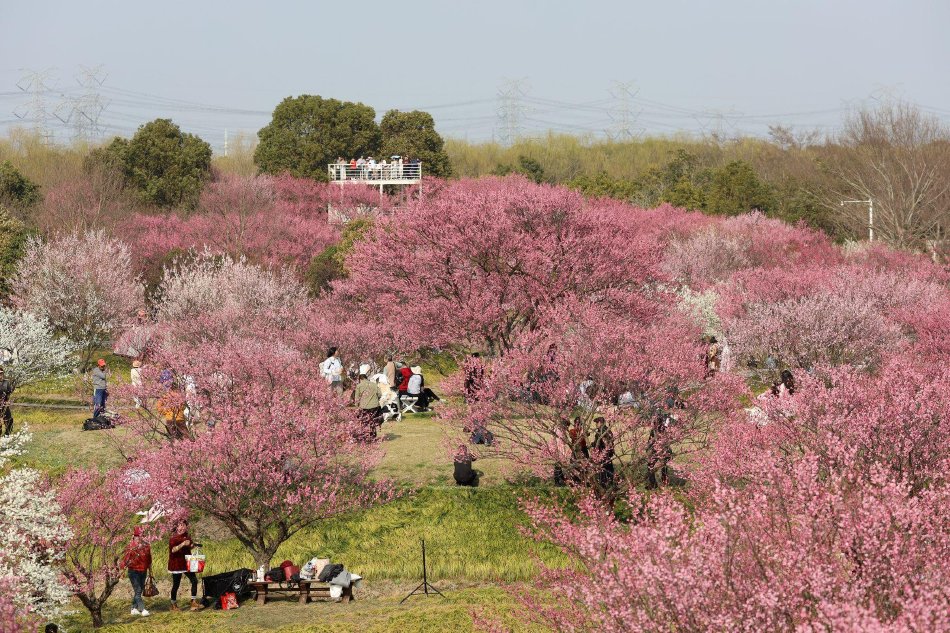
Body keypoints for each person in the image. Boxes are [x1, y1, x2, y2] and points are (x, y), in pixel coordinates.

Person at [168, 519, 201, 612]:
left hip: (187, 562)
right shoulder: (173, 538)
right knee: (176, 584)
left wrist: (193, 545)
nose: (182, 527)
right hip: (176, 564)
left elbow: (189, 547)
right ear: (176, 527)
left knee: (194, 580)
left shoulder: (187, 536)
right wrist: (182, 544)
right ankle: (173, 604)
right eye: (180, 525)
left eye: (184, 525)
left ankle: (193, 601)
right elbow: (173, 550)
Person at [122, 526, 152, 617]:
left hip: (143, 570)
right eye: (137, 536)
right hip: (133, 571)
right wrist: (122, 570)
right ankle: (142, 609)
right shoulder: (130, 547)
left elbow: (149, 559)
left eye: (141, 536)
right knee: (138, 590)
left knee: (139, 590)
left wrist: (150, 570)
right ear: (134, 537)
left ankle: (133, 608)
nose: (139, 538)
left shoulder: (146, 546)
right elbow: (125, 560)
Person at [353, 365, 382, 437]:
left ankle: (365, 435)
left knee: (364, 421)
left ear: (360, 379)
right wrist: (376, 398)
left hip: (364, 406)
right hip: (375, 406)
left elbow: (357, 399)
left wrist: (357, 407)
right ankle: (373, 435)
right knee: (373, 420)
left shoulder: (359, 386)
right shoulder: (374, 384)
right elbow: (380, 394)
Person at [592, 417, 616, 498]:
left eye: (597, 423)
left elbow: (599, 442)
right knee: (609, 468)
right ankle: (612, 482)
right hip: (608, 452)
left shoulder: (601, 431)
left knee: (602, 468)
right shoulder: (608, 430)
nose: (596, 424)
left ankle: (603, 484)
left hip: (603, 452)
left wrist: (593, 445)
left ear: (600, 422)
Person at [0, 367, 13, 436]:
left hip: (4, 403)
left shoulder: (6, 382)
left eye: (1, 373)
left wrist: (7, 401)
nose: (0, 375)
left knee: (9, 419)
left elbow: (9, 392)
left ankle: (7, 434)